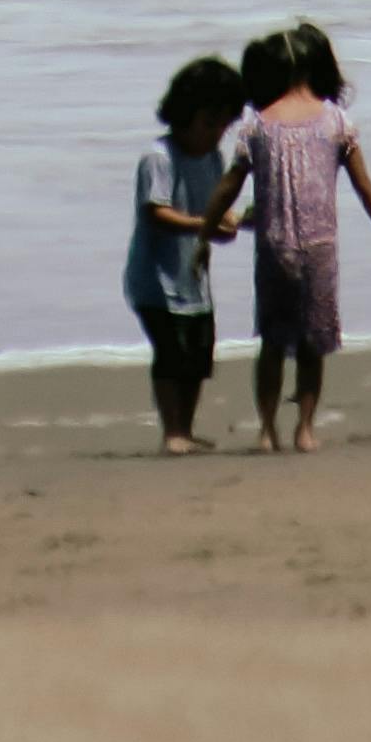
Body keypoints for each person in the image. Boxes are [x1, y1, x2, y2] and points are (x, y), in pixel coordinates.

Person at [207, 19, 371, 453]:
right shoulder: (336, 122)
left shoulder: (257, 126)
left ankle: (266, 429)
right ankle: (305, 428)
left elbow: (229, 186)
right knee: (313, 344)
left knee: (271, 342)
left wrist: (204, 232)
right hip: (319, 248)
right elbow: (364, 186)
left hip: (274, 247)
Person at [125, 54, 245, 450]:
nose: (216, 134)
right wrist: (204, 226)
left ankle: (186, 428)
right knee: (170, 353)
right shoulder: (158, 158)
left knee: (198, 356)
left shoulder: (212, 158)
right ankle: (172, 431)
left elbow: (212, 207)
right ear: (183, 113)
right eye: (209, 123)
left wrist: (231, 223)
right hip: (155, 279)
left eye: (224, 125)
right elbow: (158, 212)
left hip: (192, 279)